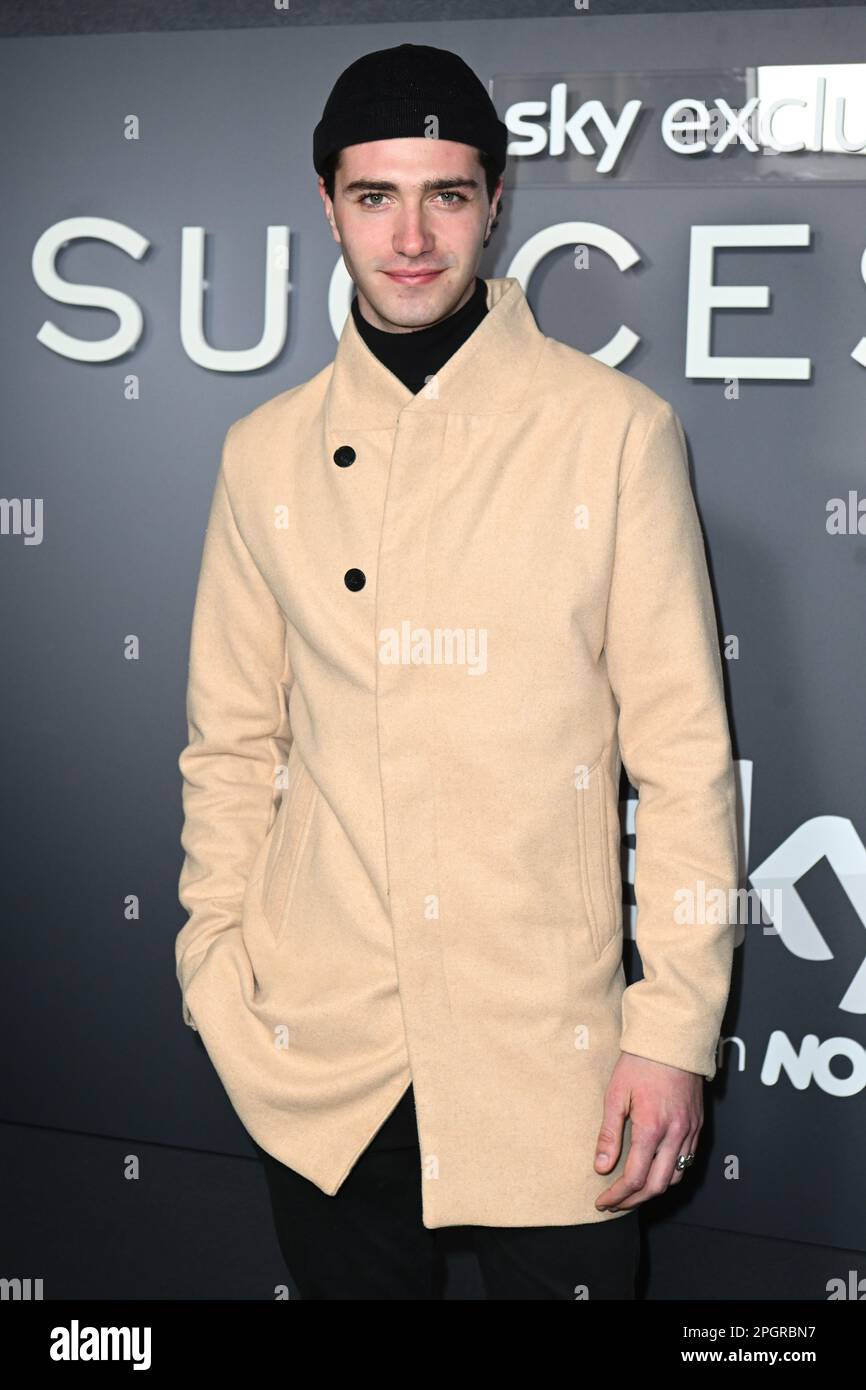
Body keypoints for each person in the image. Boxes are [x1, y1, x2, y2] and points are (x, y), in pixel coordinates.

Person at [174, 43, 738, 1300]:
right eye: (375, 195)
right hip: (324, 1054)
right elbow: (228, 745)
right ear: (326, 204)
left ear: (496, 199)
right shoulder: (261, 455)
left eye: (446, 193)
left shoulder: (612, 434)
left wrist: (671, 1029)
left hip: (552, 1055)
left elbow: (686, 764)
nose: (412, 235)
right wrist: (214, 963)